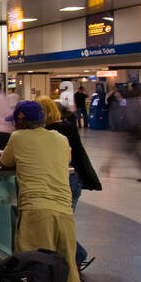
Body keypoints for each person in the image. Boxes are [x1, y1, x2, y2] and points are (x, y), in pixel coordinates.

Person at [0, 100, 83, 282]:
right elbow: (65, 160)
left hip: (35, 211)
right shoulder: (60, 139)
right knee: (67, 264)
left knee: (36, 271)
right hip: (63, 211)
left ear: (21, 121)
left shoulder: (18, 137)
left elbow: (6, 161)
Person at [39, 95, 100, 268]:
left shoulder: (59, 130)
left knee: (61, 223)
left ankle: (77, 255)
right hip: (68, 179)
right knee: (60, 222)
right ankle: (73, 255)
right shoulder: (62, 128)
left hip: (68, 180)